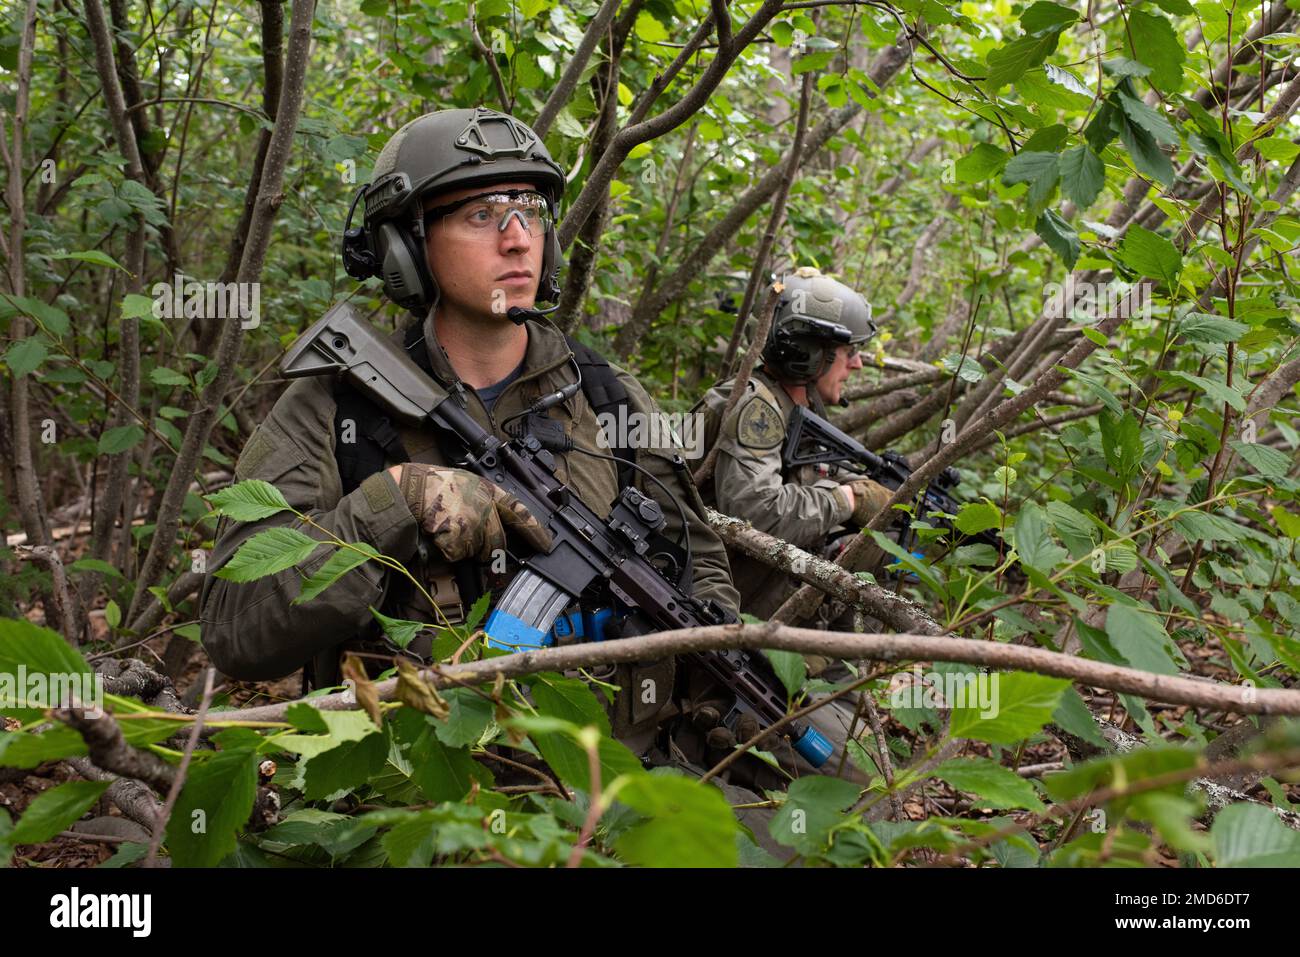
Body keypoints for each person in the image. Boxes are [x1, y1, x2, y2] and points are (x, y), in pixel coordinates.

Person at [198, 106, 739, 757]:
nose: (518, 239)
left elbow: (700, 564)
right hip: (417, 780)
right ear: (406, 246)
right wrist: (390, 505)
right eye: (482, 215)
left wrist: (714, 687)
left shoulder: (607, 395)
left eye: (530, 210)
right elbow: (233, 629)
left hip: (613, 776)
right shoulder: (333, 410)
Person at [698, 266, 893, 634]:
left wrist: (872, 489)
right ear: (809, 352)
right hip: (707, 599)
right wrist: (847, 499)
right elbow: (755, 511)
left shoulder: (793, 407)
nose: (857, 363)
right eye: (849, 351)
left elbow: (817, 471)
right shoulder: (759, 407)